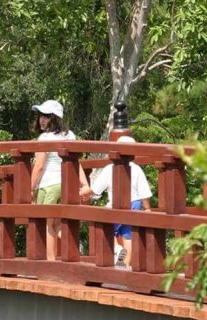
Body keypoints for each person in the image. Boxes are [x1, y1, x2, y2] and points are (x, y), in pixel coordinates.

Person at [80, 136, 153, 267]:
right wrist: (147, 208)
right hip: (135, 203)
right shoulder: (137, 168)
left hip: (116, 205)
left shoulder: (110, 168)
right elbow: (144, 191)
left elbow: (96, 188)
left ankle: (117, 249)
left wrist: (85, 193)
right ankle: (124, 264)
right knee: (128, 236)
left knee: (106, 229)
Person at [31, 99, 87, 260]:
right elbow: (76, 163)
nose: (41, 120)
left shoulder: (44, 138)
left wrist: (30, 188)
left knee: (48, 224)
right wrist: (84, 184)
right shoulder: (70, 136)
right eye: (41, 116)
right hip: (67, 185)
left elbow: (39, 166)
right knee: (58, 224)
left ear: (55, 118)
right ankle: (75, 250)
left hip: (48, 184)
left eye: (46, 116)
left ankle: (51, 263)